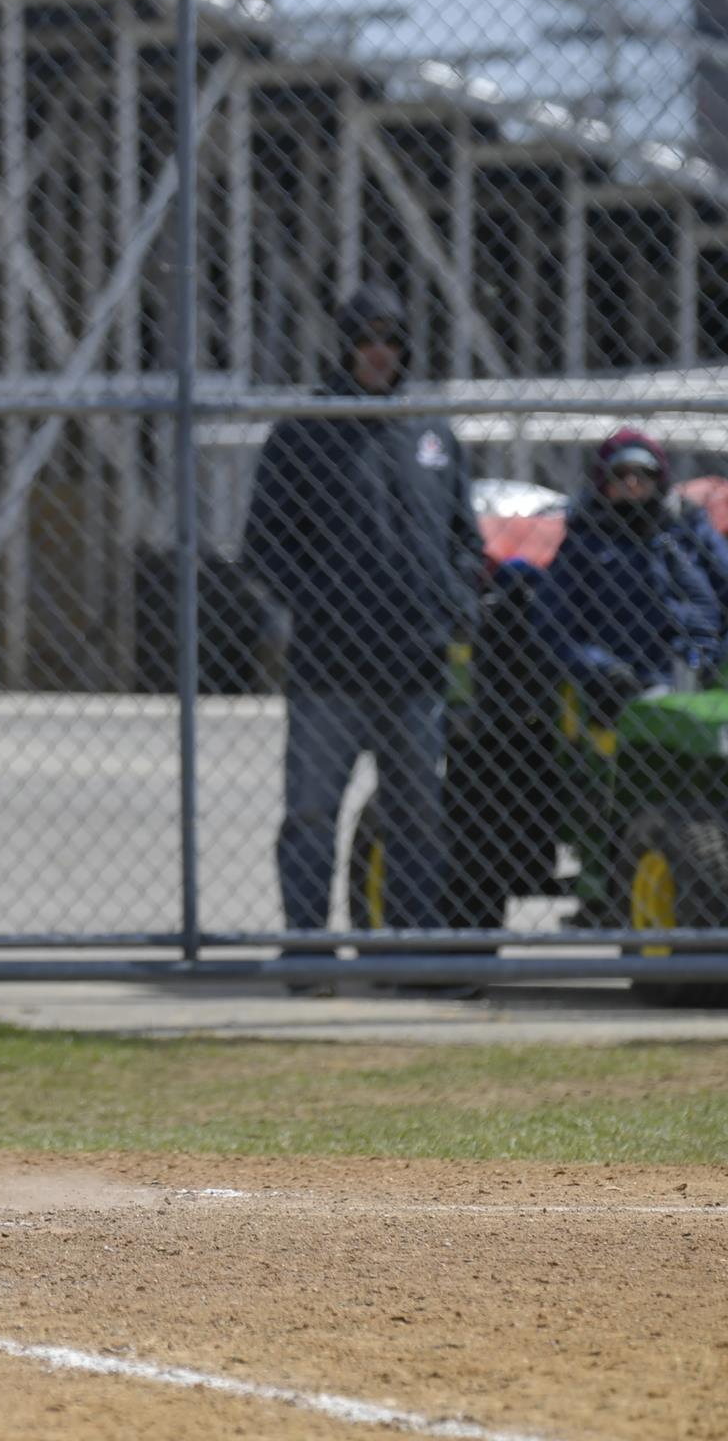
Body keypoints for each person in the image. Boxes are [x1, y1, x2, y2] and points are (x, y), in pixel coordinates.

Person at [242, 283, 484, 967]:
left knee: (416, 821)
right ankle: (309, 952)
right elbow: (263, 545)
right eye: (366, 340)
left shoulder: (432, 434)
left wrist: (455, 601)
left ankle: (408, 957)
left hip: (415, 669)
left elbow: (467, 538)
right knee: (313, 815)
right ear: (344, 347)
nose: (379, 353)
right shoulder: (306, 432)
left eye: (391, 340)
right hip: (331, 670)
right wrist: (319, 601)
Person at [538, 428, 728, 718]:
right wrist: (603, 672)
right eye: (620, 474)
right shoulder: (584, 540)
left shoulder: (690, 526)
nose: (632, 483)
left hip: (711, 677)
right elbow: (553, 627)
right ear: (602, 481)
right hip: (630, 686)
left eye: (642, 473)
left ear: (658, 477)